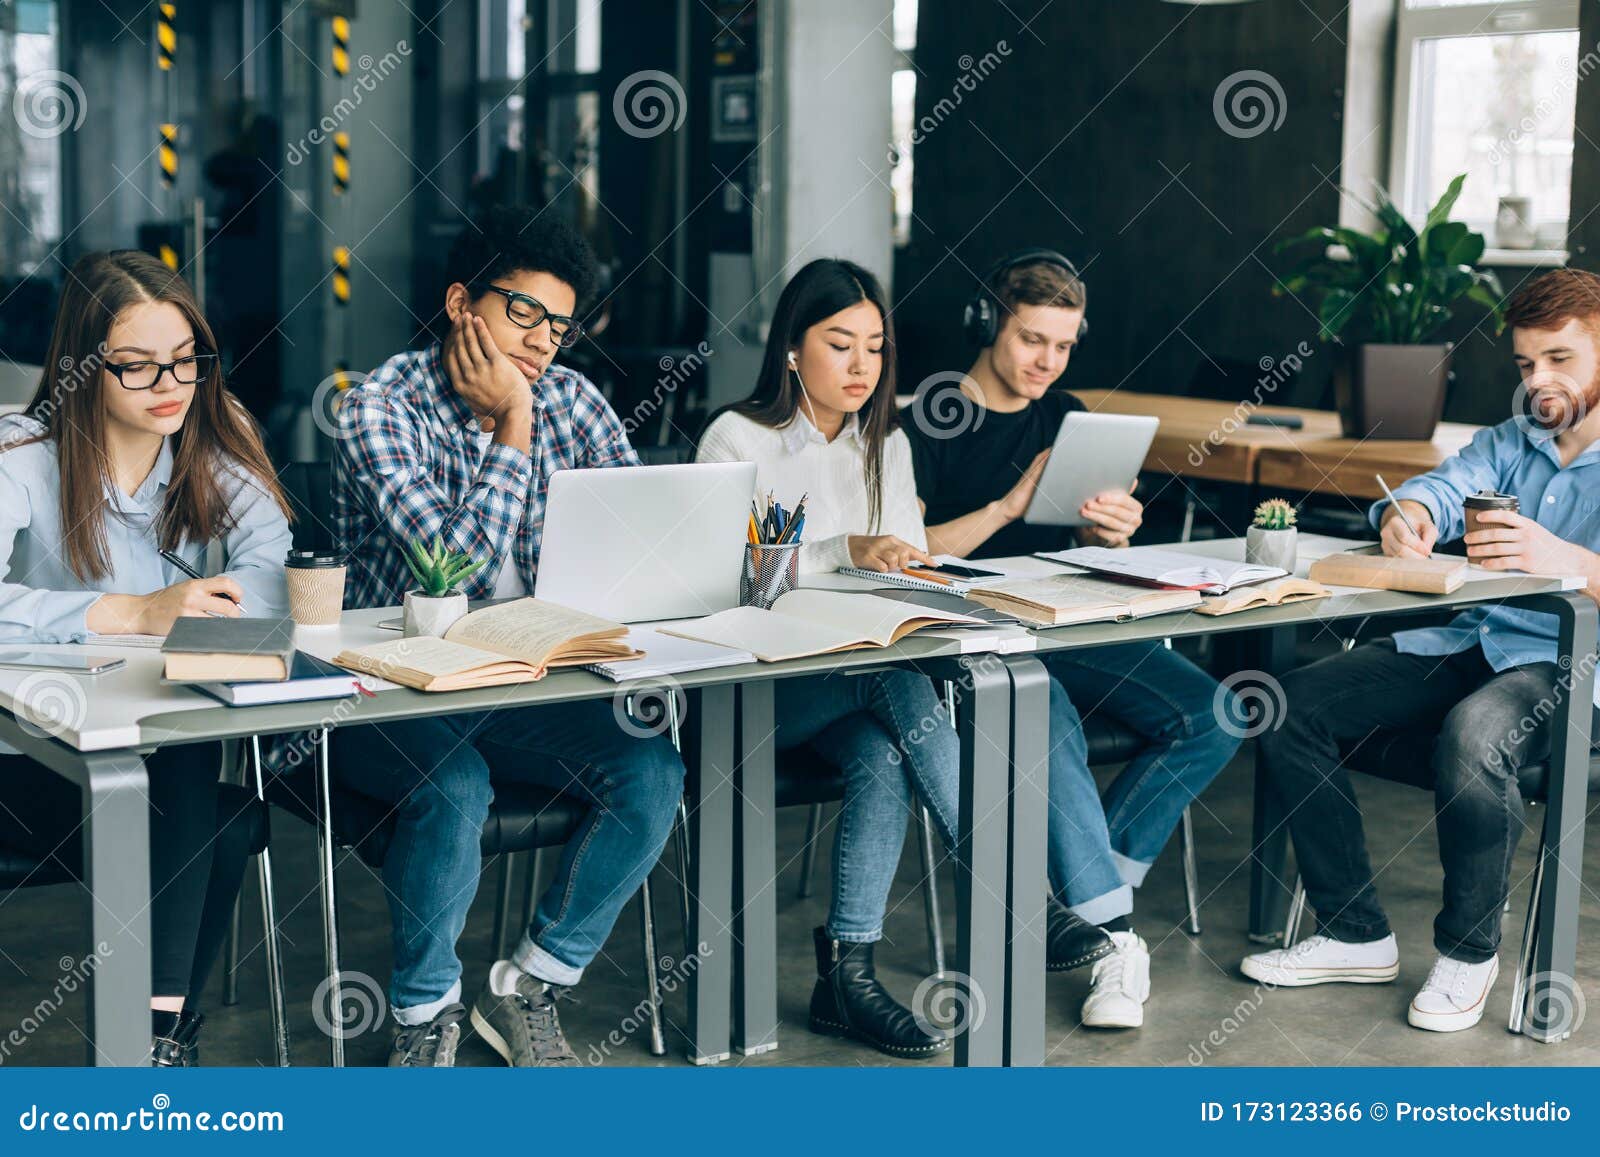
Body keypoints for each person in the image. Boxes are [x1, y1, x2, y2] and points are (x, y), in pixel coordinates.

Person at [696, 257, 1115, 1057]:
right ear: (793, 349)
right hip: (753, 690)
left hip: (851, 681)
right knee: (901, 693)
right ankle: (1022, 899)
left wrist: (910, 573)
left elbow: (912, 561)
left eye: (875, 347)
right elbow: (723, 580)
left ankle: (844, 979)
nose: (862, 365)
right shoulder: (736, 438)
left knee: (887, 748)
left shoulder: (885, 441)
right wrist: (843, 548)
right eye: (840, 344)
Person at [332, 206, 685, 1067]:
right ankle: (424, 1016)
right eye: (523, 312)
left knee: (652, 771)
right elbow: (450, 564)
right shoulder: (377, 406)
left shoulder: (577, 400)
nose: (541, 343)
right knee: (454, 786)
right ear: (461, 303)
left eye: (559, 326)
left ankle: (530, 982)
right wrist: (513, 422)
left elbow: (640, 543)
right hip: (386, 694)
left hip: (521, 687)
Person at [1240, 268, 1600, 1032]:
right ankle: (1353, 932)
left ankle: (1468, 952)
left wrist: (1565, 559)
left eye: (1560, 359)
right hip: (1473, 639)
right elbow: (1440, 485)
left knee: (1473, 736)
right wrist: (1407, 515)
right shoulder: (1512, 440)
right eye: (1526, 363)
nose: (1539, 380)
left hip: (1572, 667)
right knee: (1288, 702)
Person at [903, 251, 1241, 1029]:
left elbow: (1084, 536)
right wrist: (1008, 503)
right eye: (1031, 339)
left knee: (1216, 714)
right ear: (988, 322)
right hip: (970, 635)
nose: (1047, 362)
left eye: (1062, 346)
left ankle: (1085, 898)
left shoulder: (1070, 416)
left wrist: (1111, 531)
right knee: (1040, 705)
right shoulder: (927, 417)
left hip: (1067, 619)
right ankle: (1114, 934)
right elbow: (908, 551)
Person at [0, 249, 294, 1065]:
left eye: (186, 358)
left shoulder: (213, 436)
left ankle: (152, 1039)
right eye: (136, 365)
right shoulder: (22, 451)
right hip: (33, 763)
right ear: (83, 364)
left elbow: (271, 572)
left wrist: (214, 607)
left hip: (150, 766)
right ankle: (163, 1038)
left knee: (194, 768)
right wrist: (130, 613)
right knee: (214, 813)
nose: (170, 383)